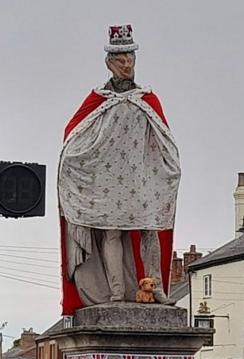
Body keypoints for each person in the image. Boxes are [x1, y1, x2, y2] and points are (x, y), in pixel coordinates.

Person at [58, 24, 181, 315]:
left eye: (130, 59)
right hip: (108, 182)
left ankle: (157, 288)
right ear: (109, 63)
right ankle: (115, 293)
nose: (126, 65)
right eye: (120, 60)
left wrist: (169, 168)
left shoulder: (147, 99)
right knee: (112, 233)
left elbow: (164, 139)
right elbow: (74, 134)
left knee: (149, 231)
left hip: (142, 179)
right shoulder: (98, 99)